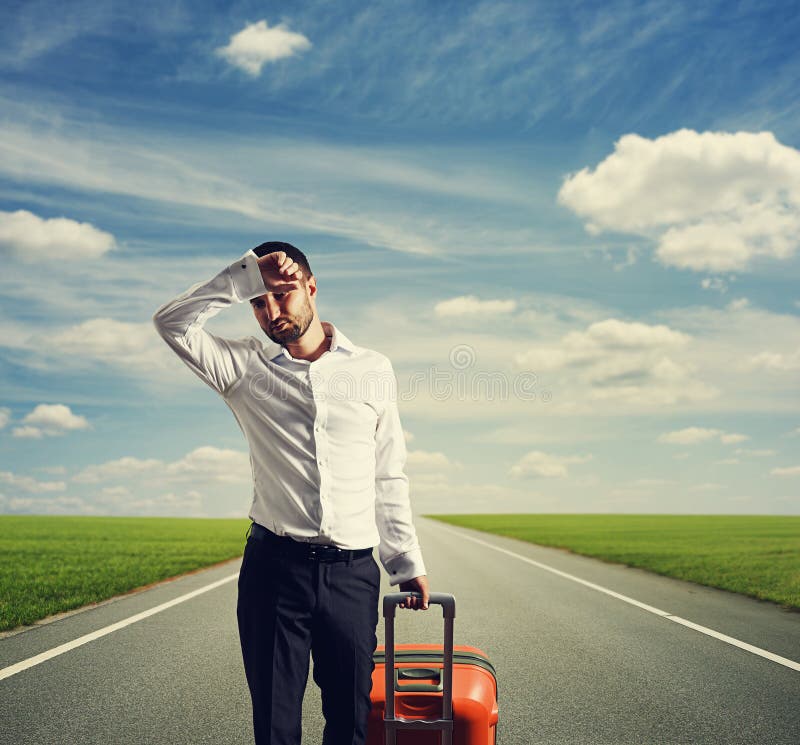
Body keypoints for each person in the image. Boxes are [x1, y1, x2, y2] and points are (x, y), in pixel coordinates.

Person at [152, 241, 430, 745]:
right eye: (259, 302)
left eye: (281, 294)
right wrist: (241, 277)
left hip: (353, 574)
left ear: (312, 287)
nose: (272, 312)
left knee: (349, 722)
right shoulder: (239, 367)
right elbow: (171, 322)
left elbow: (388, 472)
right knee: (276, 726)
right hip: (274, 573)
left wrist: (405, 562)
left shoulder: (372, 368)